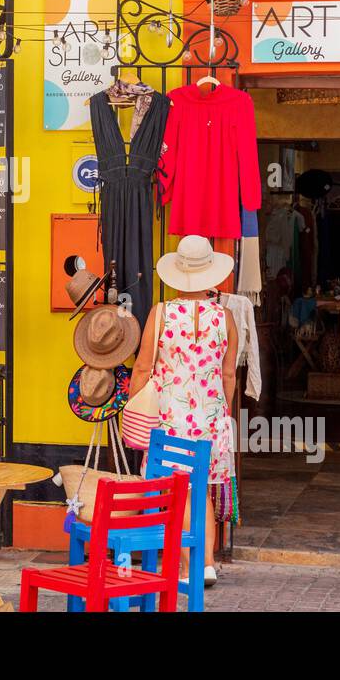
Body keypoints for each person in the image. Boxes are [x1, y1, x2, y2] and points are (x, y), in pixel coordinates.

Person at [129, 234, 238, 587]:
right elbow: (229, 373)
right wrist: (223, 413)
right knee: (201, 490)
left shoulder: (160, 313)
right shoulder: (225, 317)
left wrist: (133, 403)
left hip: (169, 418)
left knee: (174, 491)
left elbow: (143, 367)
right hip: (210, 418)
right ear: (210, 274)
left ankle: (183, 565)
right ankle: (205, 563)